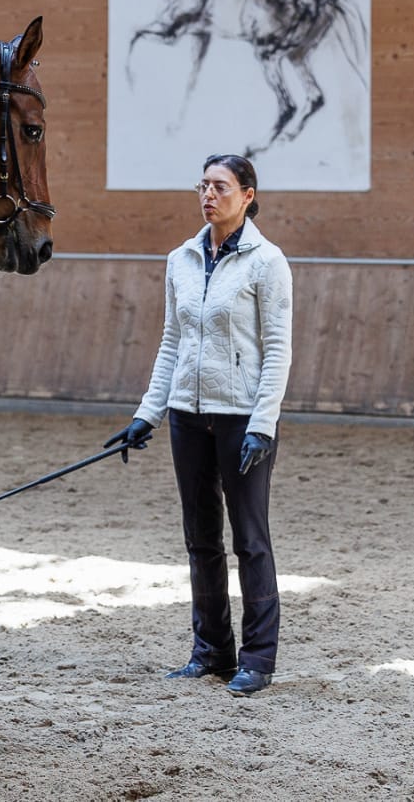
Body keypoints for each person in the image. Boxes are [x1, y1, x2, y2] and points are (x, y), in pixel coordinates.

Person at [112, 154, 293, 696]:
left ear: (248, 195)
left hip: (242, 419)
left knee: (250, 540)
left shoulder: (268, 262)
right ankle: (212, 651)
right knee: (201, 540)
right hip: (189, 419)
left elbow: (278, 349)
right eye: (203, 185)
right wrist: (148, 412)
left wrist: (263, 423)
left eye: (220, 186)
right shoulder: (181, 260)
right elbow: (172, 342)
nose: (208, 195)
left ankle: (257, 659)